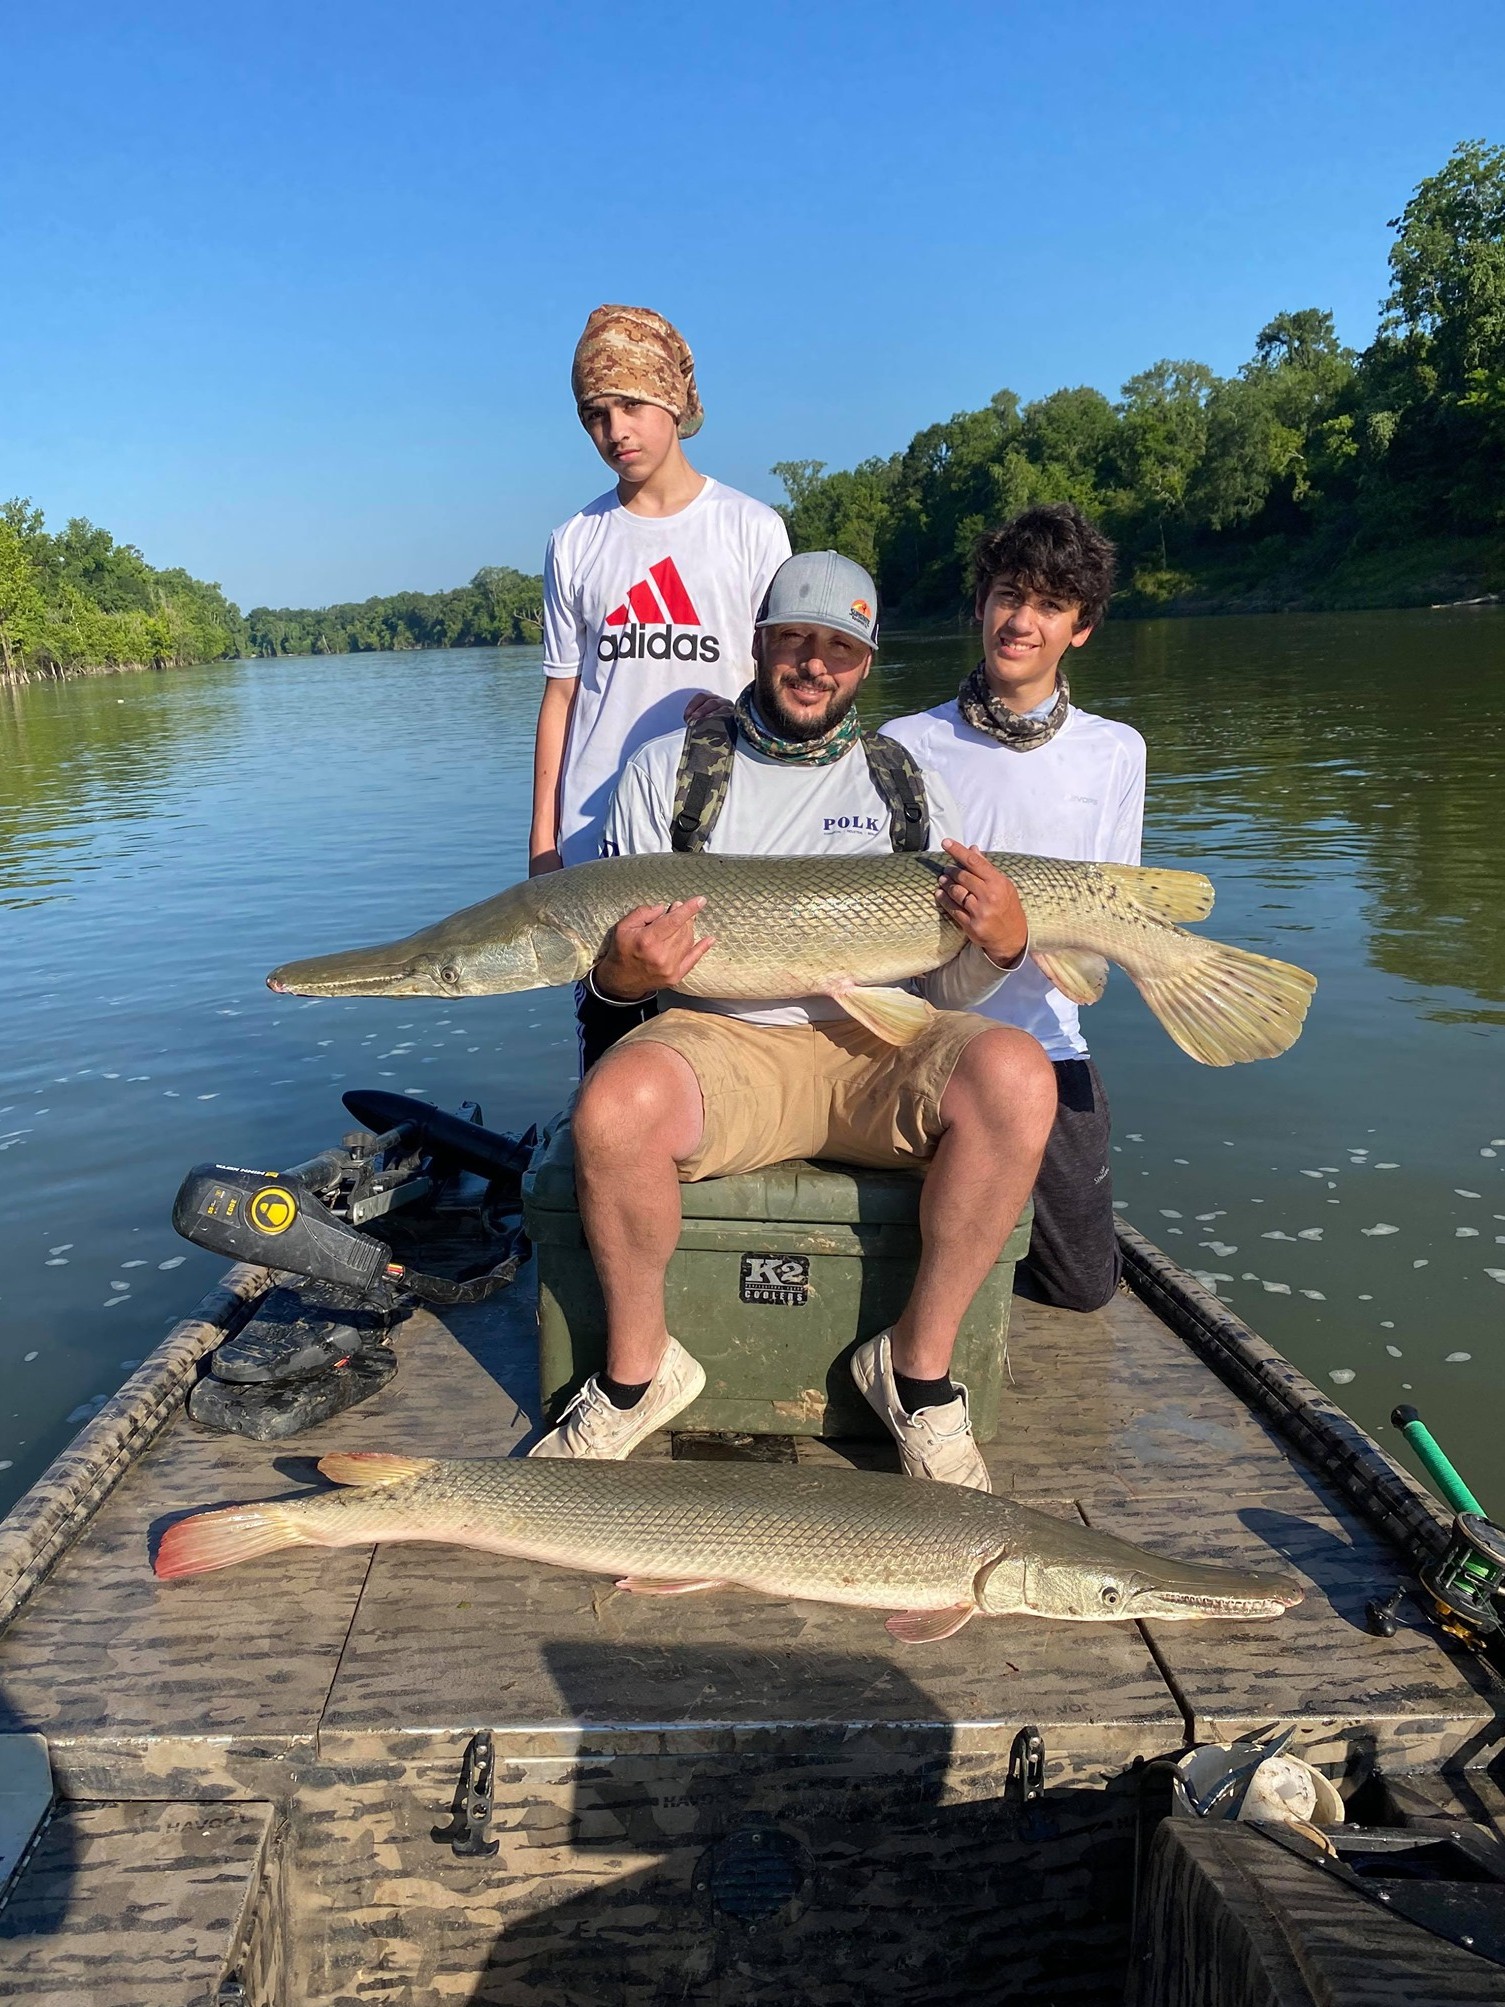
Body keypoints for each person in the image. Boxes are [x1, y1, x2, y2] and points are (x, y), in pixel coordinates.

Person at [529, 551, 1058, 1490]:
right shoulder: (670, 770)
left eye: (840, 649)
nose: (815, 664)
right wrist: (619, 972)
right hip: (718, 1039)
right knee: (609, 1110)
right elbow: (609, 990)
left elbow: (945, 993)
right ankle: (637, 1375)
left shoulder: (903, 783)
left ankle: (916, 1375)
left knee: (1019, 1073)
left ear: (866, 662)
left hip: (871, 1046)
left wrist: (1004, 946)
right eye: (796, 640)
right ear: (761, 642)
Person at [884, 503, 1144, 1313]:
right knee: (904, 1258)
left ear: (1081, 627)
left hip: (1051, 1042)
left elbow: (1104, 930)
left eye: (1048, 605)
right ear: (979, 605)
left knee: (1082, 1291)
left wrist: (1019, 935)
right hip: (930, 1039)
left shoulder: (1115, 751)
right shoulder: (901, 743)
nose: (1020, 621)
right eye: (1006, 595)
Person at [530, 304, 791, 1068]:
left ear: (673, 402)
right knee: (613, 1059)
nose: (616, 431)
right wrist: (544, 846)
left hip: (720, 842)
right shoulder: (574, 541)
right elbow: (561, 697)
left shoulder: (751, 529)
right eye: (595, 415)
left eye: (632, 406)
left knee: (725, 1050)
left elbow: (785, 680)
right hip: (593, 840)